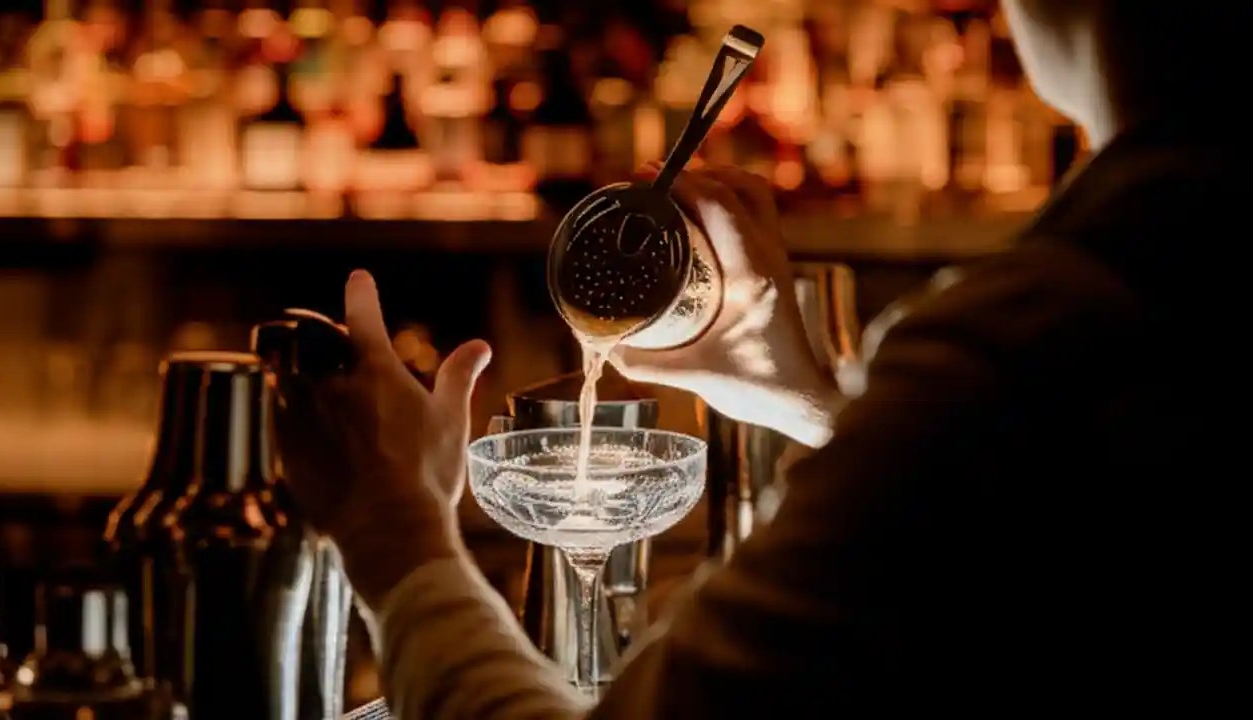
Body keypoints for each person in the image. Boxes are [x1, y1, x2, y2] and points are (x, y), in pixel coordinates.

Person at [275, 1, 1245, 716]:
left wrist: (393, 531)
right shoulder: (1157, 276)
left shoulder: (1032, 342)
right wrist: (818, 399)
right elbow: (1027, 547)